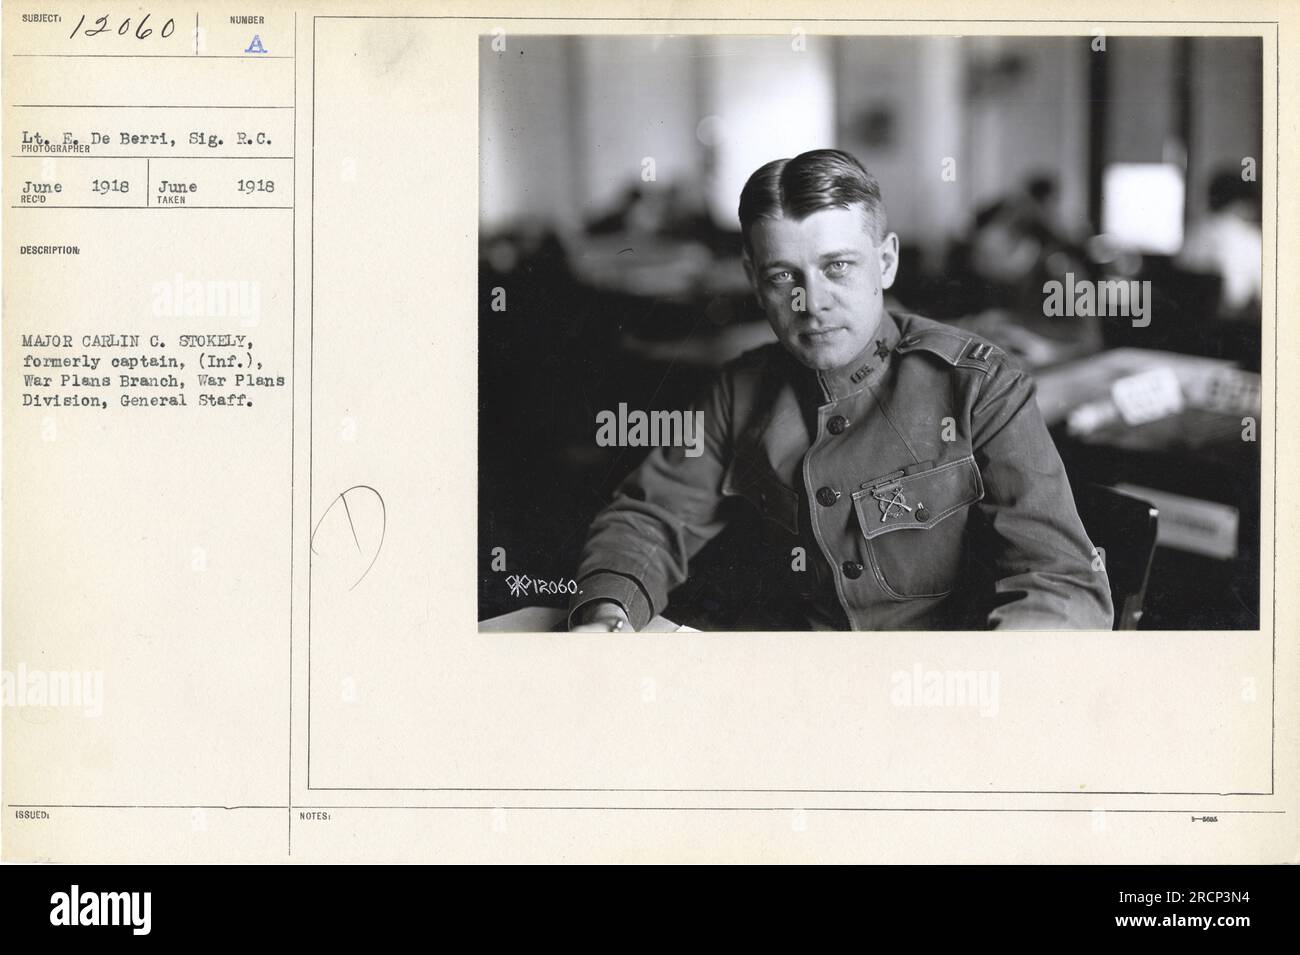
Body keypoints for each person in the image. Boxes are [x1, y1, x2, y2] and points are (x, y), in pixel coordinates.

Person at [569, 149, 1113, 631]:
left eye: (838, 267)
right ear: (754, 280)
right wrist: (607, 617)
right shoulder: (737, 392)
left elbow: (1059, 580)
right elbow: (651, 517)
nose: (813, 302)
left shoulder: (979, 384)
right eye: (784, 276)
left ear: (886, 262)